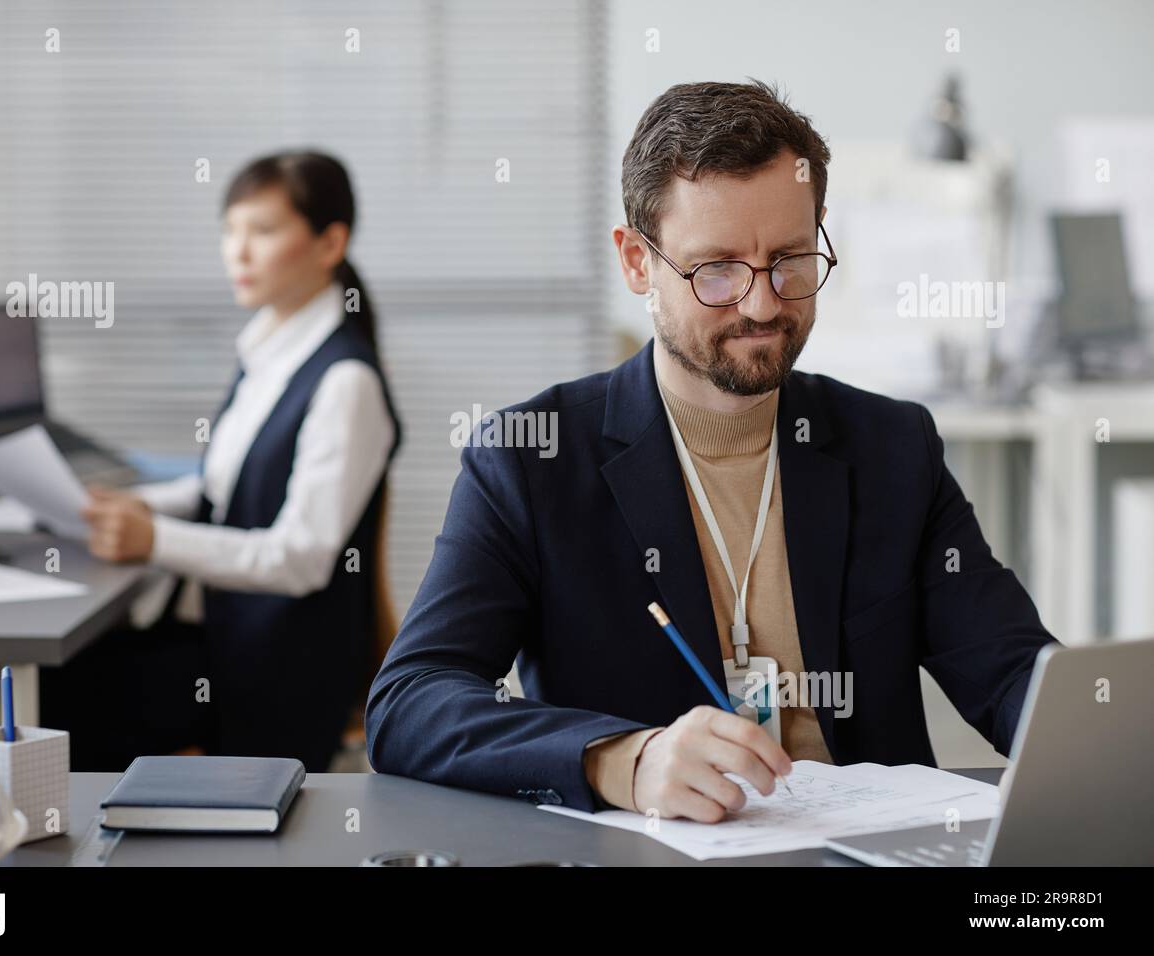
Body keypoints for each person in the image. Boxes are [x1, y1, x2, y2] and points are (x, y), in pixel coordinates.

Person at [365, 81, 1057, 819]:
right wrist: (621, 760)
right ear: (637, 263)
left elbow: (1014, 674)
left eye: (790, 260)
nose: (762, 303)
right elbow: (413, 700)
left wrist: (1101, 729)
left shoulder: (893, 447)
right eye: (717, 270)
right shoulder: (530, 459)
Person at [42, 150, 401, 772]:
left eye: (261, 232)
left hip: (274, 666)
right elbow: (221, 489)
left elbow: (301, 559)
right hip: (228, 636)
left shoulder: (345, 382)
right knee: (62, 682)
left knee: (55, 702)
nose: (237, 253)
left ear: (329, 242)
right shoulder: (270, 348)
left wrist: (154, 539)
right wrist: (125, 508)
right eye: (229, 231)